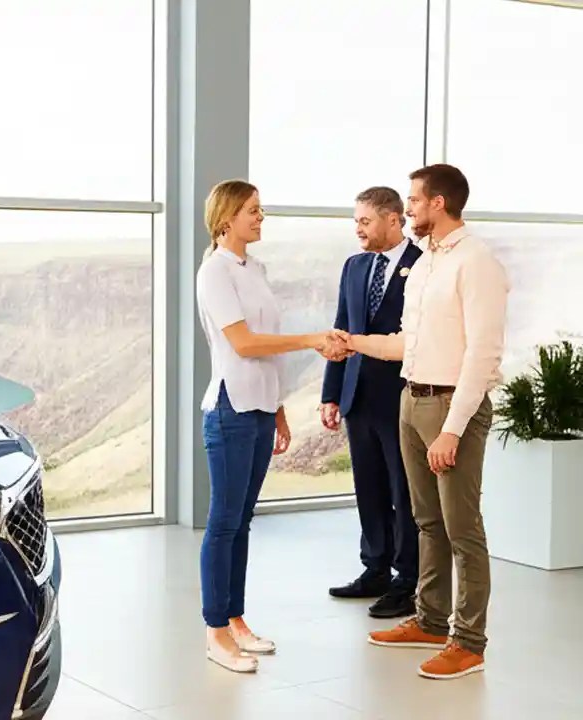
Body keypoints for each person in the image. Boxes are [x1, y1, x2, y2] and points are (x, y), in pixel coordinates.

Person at [333, 164, 508, 680]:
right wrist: (353, 343)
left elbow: (482, 353)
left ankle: (469, 642)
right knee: (425, 520)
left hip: (453, 405)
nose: (407, 207)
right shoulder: (429, 260)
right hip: (412, 398)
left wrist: (453, 428)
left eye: (413, 199)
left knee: (462, 529)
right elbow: (409, 341)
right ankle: (430, 621)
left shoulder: (476, 262)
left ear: (439, 203)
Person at [195, 179, 347, 673]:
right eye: (253, 211)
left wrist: (278, 407)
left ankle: (236, 620)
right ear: (226, 220)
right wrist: (310, 340)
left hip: (259, 409)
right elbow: (243, 343)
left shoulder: (253, 268)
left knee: (242, 521)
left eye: (261, 210)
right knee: (223, 523)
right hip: (231, 410)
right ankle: (216, 632)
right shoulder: (215, 272)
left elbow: (266, 346)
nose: (261, 218)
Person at [322, 187, 422, 619]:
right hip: (357, 397)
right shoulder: (355, 266)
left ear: (394, 219)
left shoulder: (422, 265)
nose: (358, 229)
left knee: (405, 492)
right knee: (369, 489)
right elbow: (342, 330)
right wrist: (331, 393)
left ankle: (408, 579)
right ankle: (375, 568)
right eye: (356, 221)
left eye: (365, 220)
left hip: (402, 397)